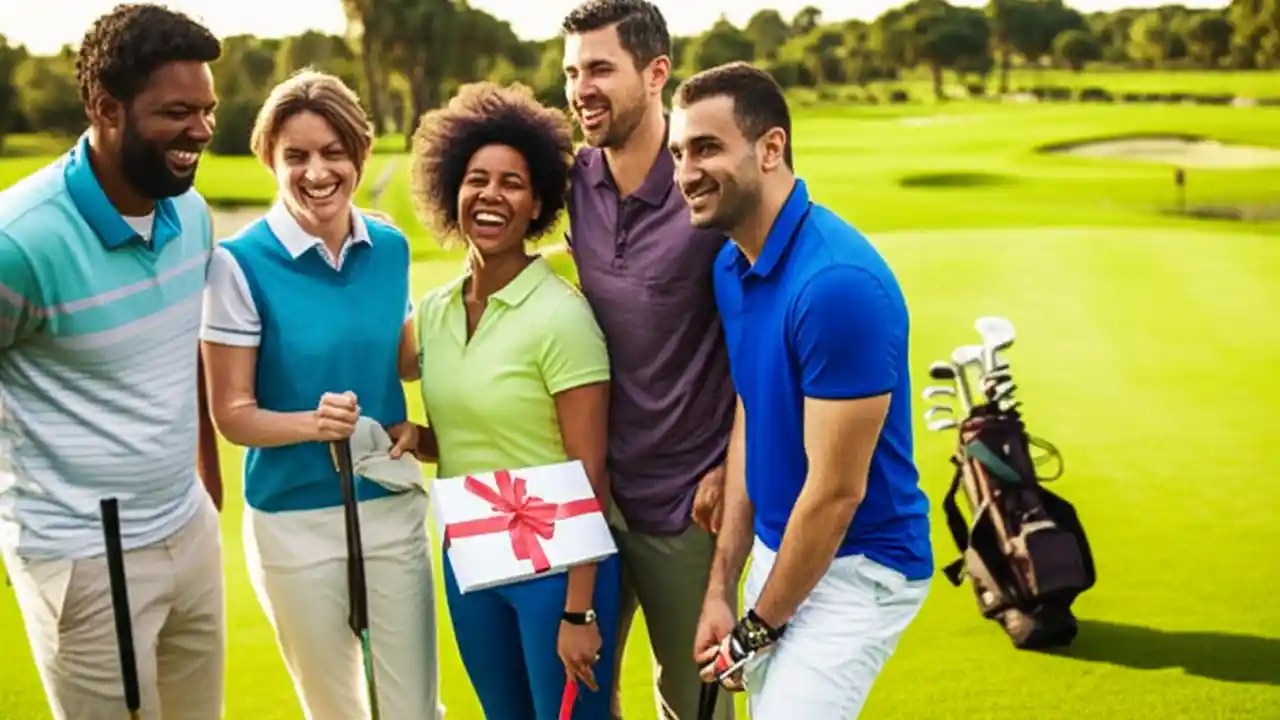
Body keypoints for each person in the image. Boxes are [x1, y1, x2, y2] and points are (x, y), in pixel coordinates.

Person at [671, 62, 934, 718]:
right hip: (781, 551)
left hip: (861, 569)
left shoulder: (835, 285)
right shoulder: (734, 266)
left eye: (706, 148)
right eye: (679, 152)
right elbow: (751, 415)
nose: (685, 172)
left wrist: (755, 629)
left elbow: (836, 492)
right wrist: (721, 588)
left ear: (770, 148)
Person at [0, 5, 225, 719]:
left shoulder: (189, 212)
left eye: (208, 110)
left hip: (187, 528)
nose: (201, 131)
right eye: (177, 112)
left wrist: (206, 486)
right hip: (83, 556)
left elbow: (184, 350)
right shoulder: (20, 241)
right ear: (106, 107)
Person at [199, 69, 441, 720]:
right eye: (296, 156)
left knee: (414, 710)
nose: (317, 172)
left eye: (334, 152)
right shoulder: (238, 264)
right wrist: (314, 423)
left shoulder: (388, 246)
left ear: (359, 155)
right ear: (269, 161)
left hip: (391, 507)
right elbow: (233, 415)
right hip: (292, 525)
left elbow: (402, 360)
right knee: (335, 712)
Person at [406, 80, 621, 720]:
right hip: (470, 559)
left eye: (512, 183)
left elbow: (590, 471)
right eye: (476, 179)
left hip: (558, 574)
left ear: (537, 205)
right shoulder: (436, 313)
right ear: (452, 190)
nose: (491, 195)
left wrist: (578, 609)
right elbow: (484, 437)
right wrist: (419, 439)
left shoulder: (562, 316)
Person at [560, 2, 736, 717]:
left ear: (656, 72)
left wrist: (735, 465)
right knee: (580, 694)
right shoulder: (573, 181)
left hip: (685, 505)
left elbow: (762, 344)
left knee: (693, 701)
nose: (580, 88)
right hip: (590, 499)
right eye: (571, 71)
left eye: (600, 68)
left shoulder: (708, 190)